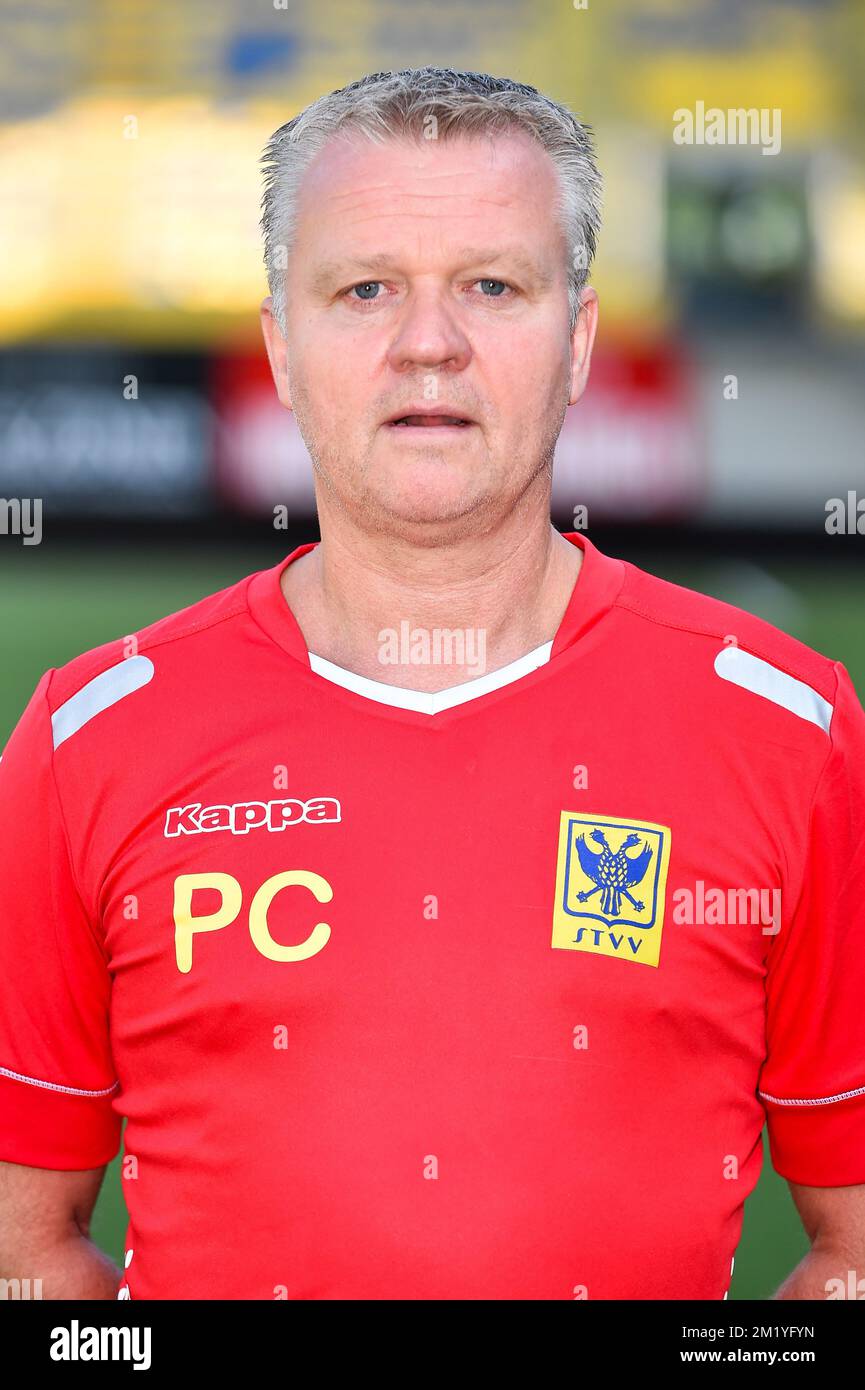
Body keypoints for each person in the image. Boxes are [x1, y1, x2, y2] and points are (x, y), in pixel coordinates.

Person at [1, 66, 863, 1301]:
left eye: (491, 287)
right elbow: (23, 1255)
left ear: (574, 343)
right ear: (282, 349)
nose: (428, 344)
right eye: (365, 290)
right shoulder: (86, 744)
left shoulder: (792, 733)